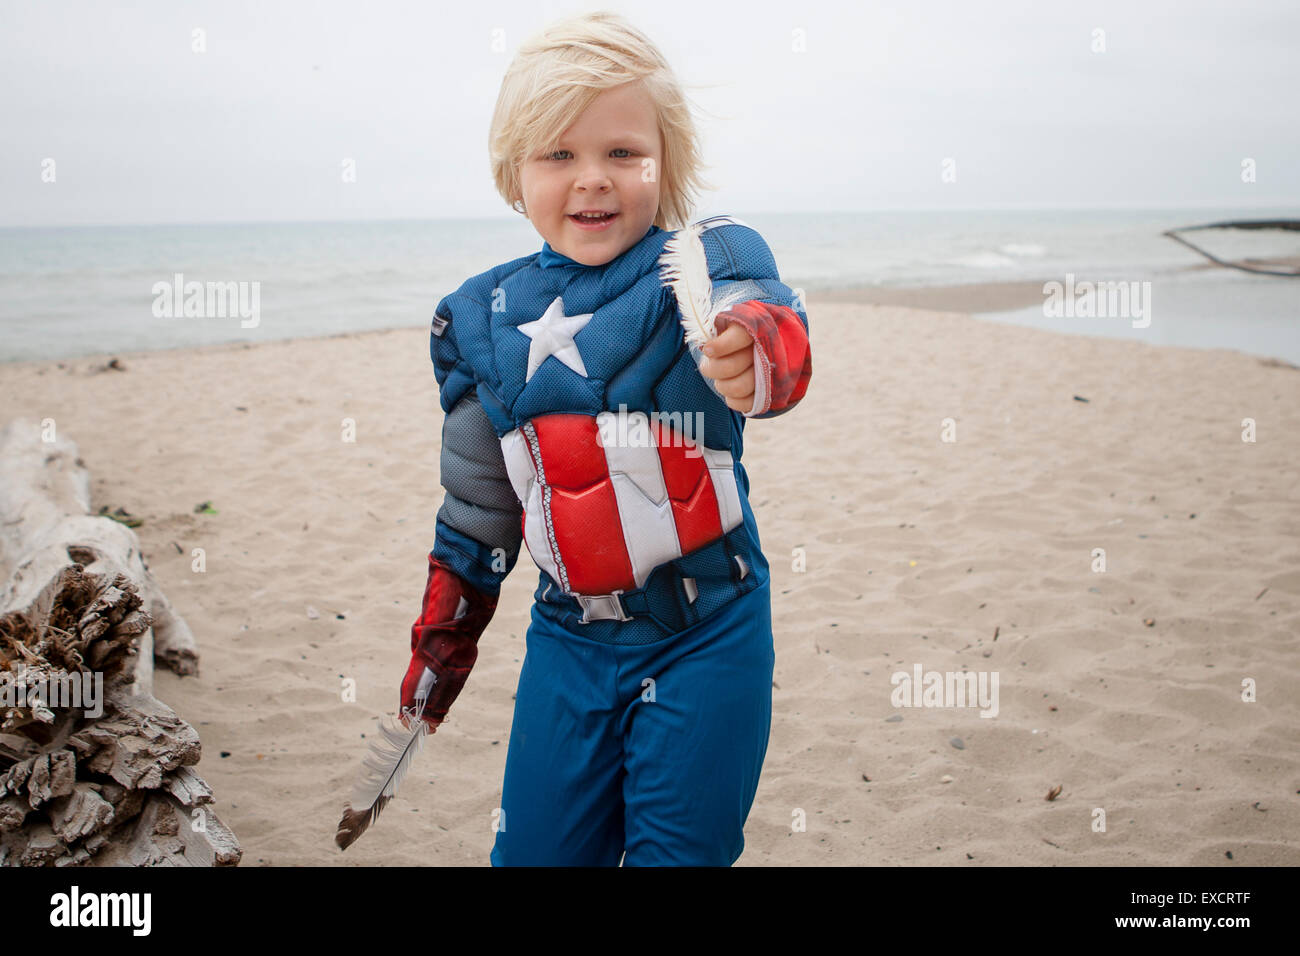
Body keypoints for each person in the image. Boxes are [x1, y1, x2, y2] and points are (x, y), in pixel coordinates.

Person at [399, 10, 812, 866]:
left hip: (711, 632)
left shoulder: (706, 264)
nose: (592, 179)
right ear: (515, 174)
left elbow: (774, 331)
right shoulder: (478, 319)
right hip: (567, 639)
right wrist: (442, 648)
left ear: (668, 164)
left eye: (623, 153)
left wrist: (756, 353)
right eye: (559, 154)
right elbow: (479, 510)